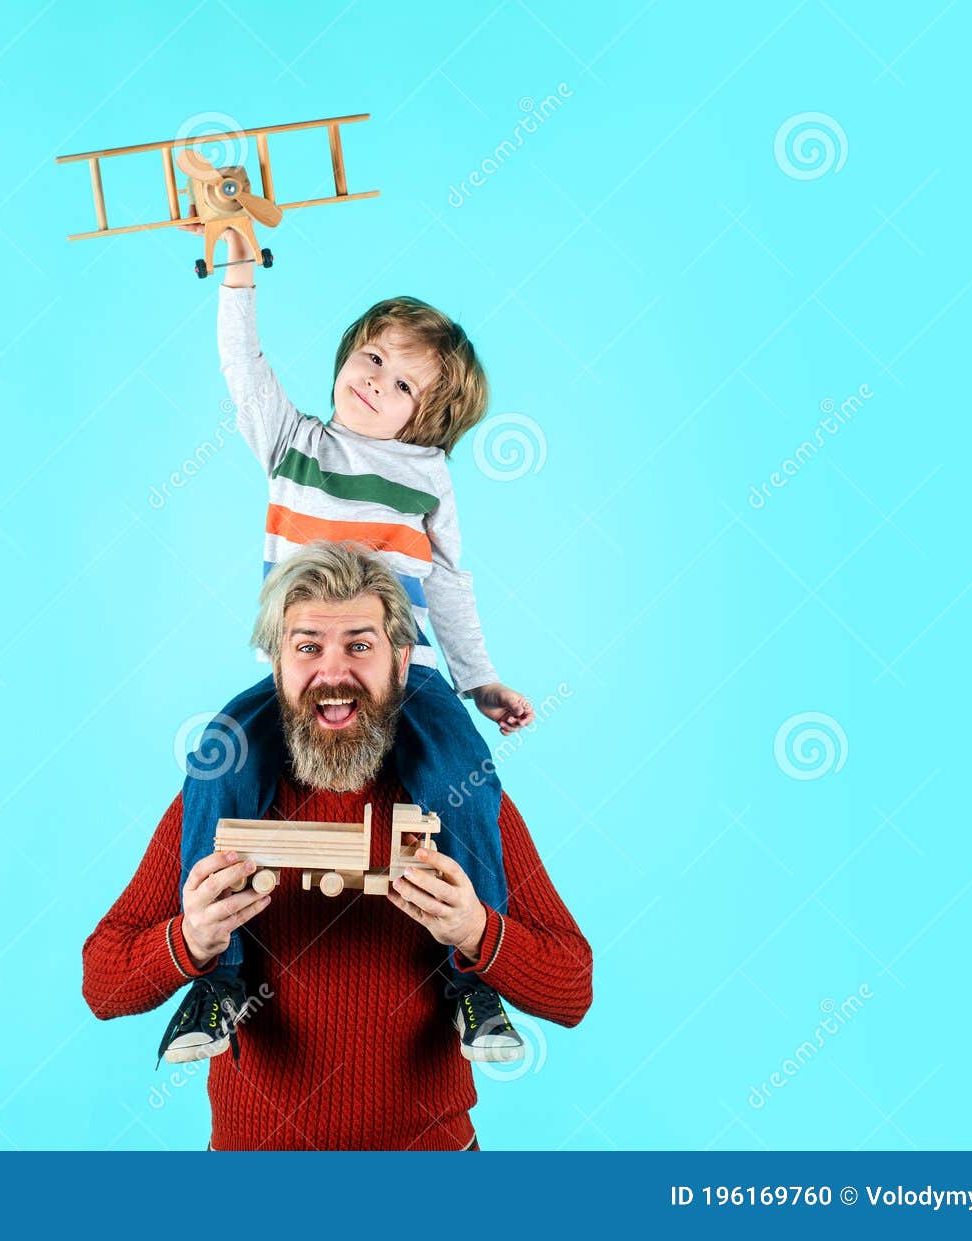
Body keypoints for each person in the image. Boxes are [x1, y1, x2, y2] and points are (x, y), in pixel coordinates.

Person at [164, 209, 538, 1063]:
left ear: (425, 419)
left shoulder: (424, 475)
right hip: (299, 684)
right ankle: (218, 976)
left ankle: (469, 979)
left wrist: (478, 680)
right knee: (218, 755)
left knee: (466, 775)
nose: (376, 381)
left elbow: (447, 582)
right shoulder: (292, 441)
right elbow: (241, 366)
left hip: (403, 685)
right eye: (372, 357)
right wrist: (239, 270)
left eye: (404, 383)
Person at [81, 542, 592, 1150]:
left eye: (360, 645)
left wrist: (479, 932)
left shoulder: (459, 801)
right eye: (307, 647)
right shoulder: (223, 801)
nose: (332, 673)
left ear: (402, 662)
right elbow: (102, 985)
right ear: (277, 664)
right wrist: (188, 942)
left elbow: (572, 989)